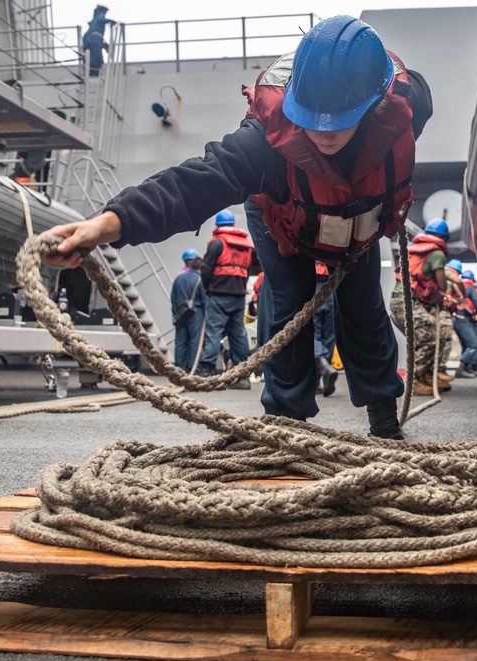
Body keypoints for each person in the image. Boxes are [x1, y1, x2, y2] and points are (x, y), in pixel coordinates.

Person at [45, 15, 433, 439]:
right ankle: (287, 424)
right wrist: (105, 225)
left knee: (364, 305)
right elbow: (195, 185)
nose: (322, 131)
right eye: (311, 117)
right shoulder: (265, 144)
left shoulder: (408, 105)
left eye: (337, 119)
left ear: (374, 104)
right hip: (285, 216)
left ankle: (383, 416)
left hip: (357, 222)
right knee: (288, 303)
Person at [389, 219, 455, 396]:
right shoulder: (436, 253)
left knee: (429, 335)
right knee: (430, 337)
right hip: (406, 302)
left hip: (400, 301)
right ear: (444, 238)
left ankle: (426, 376)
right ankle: (415, 380)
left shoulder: (416, 250)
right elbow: (442, 284)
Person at [198, 210, 252, 389]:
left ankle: (207, 372)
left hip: (219, 294)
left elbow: (206, 269)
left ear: (217, 225)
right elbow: (246, 271)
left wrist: (208, 288)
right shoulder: (244, 245)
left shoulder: (217, 243)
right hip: (238, 296)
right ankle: (243, 377)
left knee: (213, 332)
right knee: (238, 334)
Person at [170, 248, 206, 371]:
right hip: (196, 314)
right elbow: (205, 300)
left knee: (180, 342)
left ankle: (179, 369)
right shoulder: (200, 279)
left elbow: (173, 298)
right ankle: (193, 370)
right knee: (195, 342)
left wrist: (175, 312)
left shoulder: (178, 278)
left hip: (180, 313)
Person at [312, 261, 338, 397]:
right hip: (331, 290)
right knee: (329, 338)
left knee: (313, 336)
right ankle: (322, 377)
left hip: (312, 289)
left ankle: (323, 369)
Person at [83, 5, 115, 77]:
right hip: (96, 39)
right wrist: (111, 21)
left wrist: (104, 44)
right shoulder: (100, 16)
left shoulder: (94, 21)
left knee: (94, 56)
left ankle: (92, 72)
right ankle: (94, 73)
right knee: (97, 57)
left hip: (93, 39)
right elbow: (101, 20)